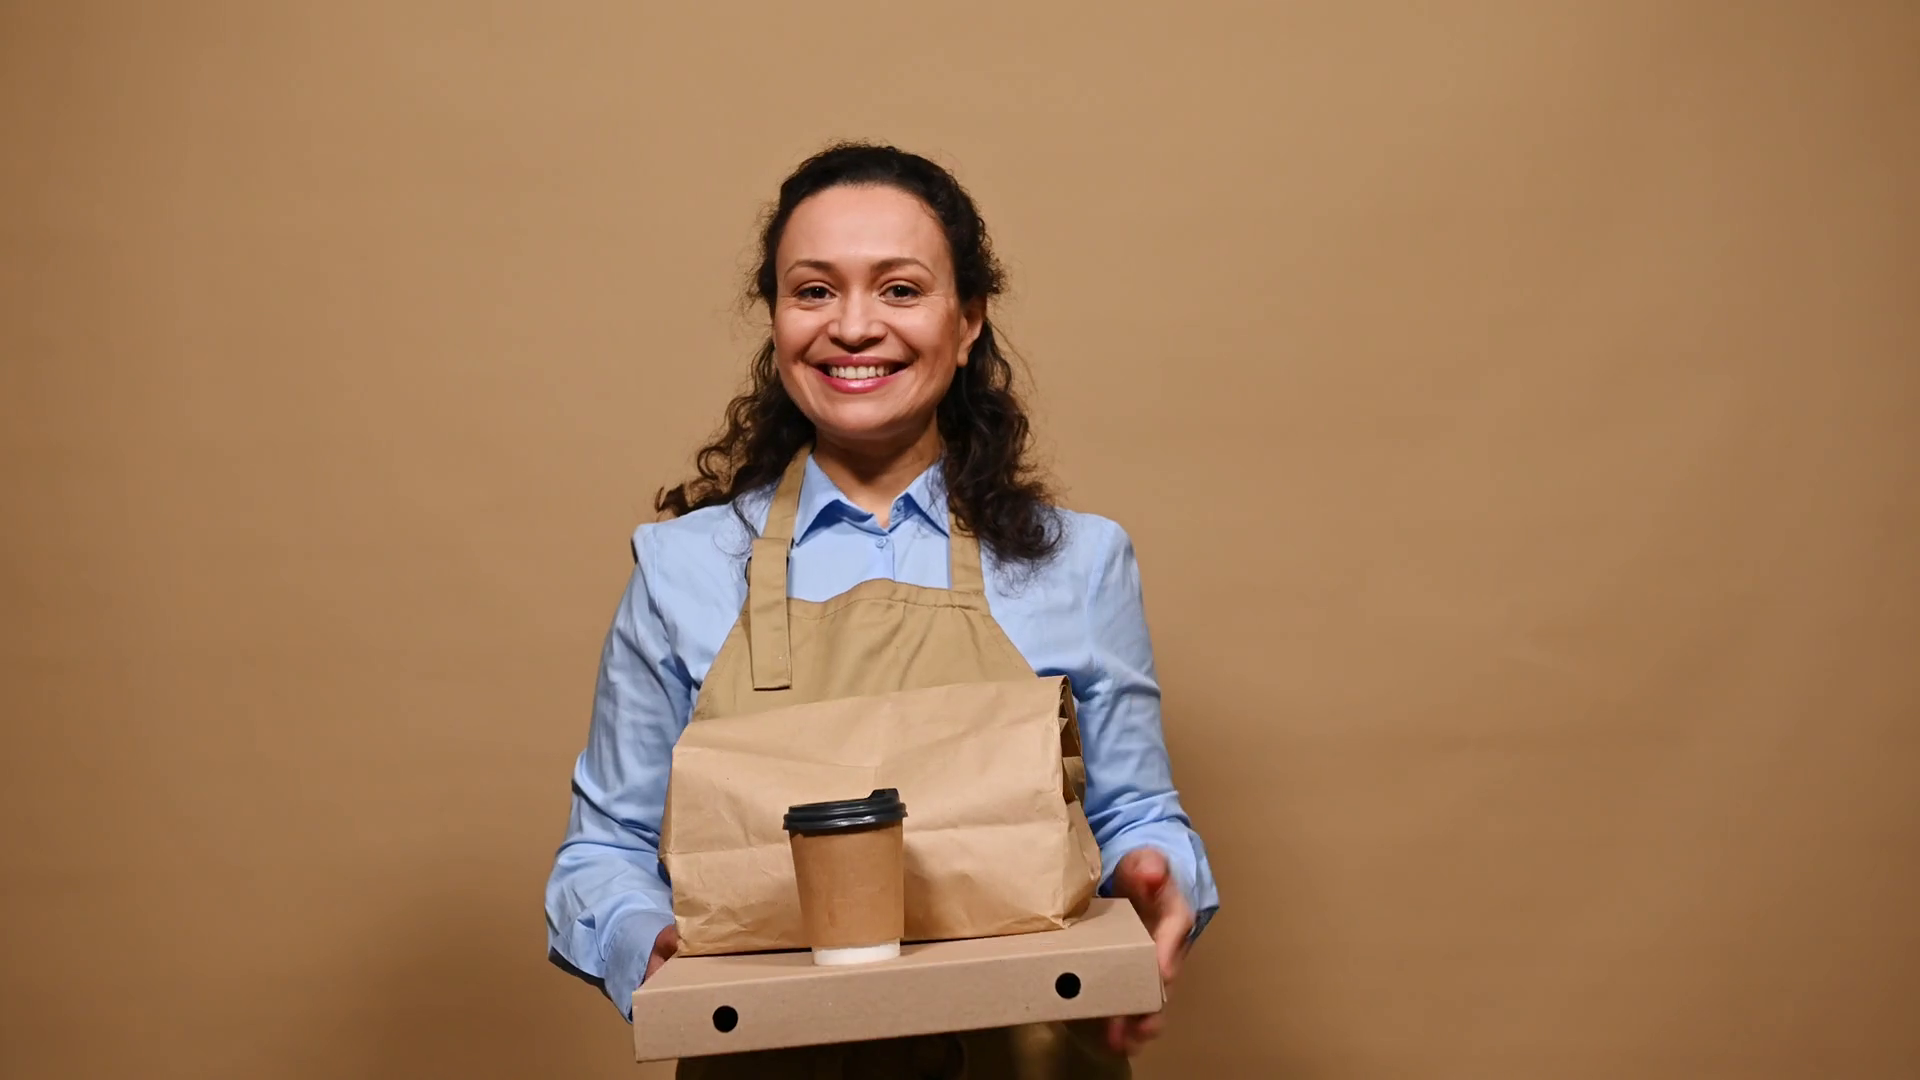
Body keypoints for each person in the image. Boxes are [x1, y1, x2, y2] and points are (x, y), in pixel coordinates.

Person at [544, 142, 1220, 1078]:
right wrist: (647, 947)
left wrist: (1159, 881)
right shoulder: (679, 571)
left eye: (900, 290)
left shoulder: (1080, 561)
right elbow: (603, 853)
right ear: (776, 319)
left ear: (969, 318)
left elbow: (1139, 811)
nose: (853, 327)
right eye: (813, 291)